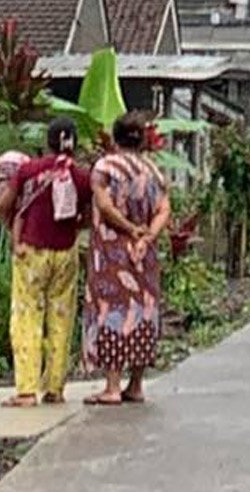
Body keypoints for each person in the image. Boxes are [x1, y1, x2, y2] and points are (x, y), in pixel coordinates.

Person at [0, 118, 89, 408]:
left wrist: (12, 227)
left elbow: (4, 204)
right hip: (65, 253)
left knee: (27, 316)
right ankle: (55, 388)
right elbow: (89, 211)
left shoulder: (29, 170)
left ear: (47, 141)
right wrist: (75, 228)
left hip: (31, 251)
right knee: (61, 318)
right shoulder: (81, 176)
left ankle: (26, 390)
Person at [86, 112, 170, 406]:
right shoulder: (153, 170)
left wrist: (128, 228)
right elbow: (163, 210)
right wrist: (147, 237)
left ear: (115, 136)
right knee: (143, 310)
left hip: (112, 254)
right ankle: (135, 384)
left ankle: (111, 386)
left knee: (112, 310)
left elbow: (105, 206)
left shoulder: (106, 167)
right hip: (144, 255)